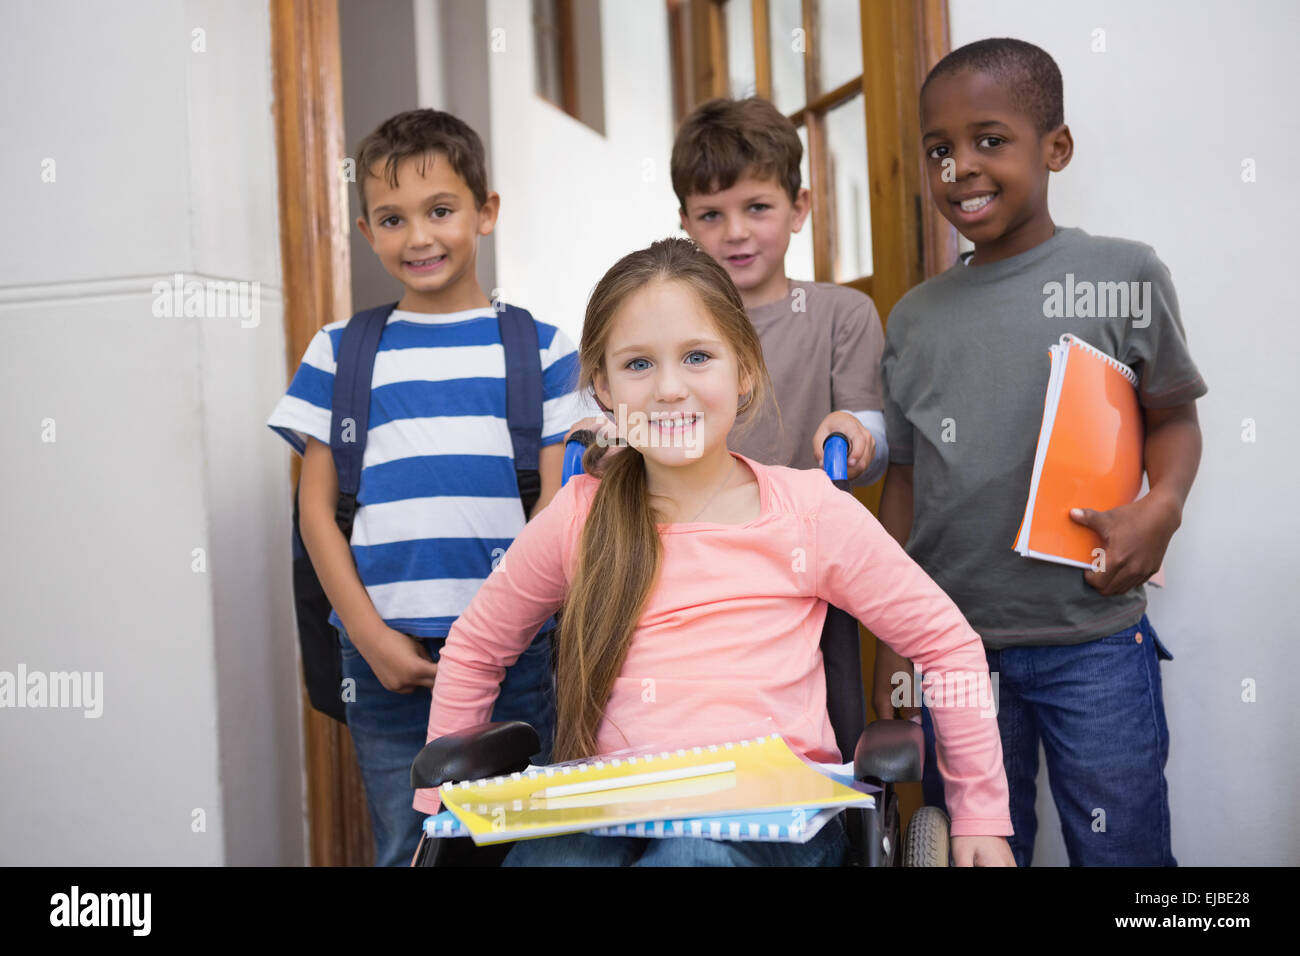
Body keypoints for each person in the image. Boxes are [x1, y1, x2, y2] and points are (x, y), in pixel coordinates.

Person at [413, 237, 1014, 867]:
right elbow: (476, 649)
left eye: (697, 356)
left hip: (782, 819)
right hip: (612, 807)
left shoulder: (808, 511)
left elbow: (946, 643)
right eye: (638, 365)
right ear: (603, 388)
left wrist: (979, 814)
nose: (670, 389)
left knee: (690, 857)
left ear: (745, 368)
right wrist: (436, 811)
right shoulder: (580, 517)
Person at [874, 38, 1205, 867]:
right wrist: (895, 650)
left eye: (990, 140)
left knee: (1124, 854)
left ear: (1055, 147)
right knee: (980, 852)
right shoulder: (914, 317)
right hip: (953, 653)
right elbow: (907, 479)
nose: (961, 168)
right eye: (939, 150)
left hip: (1093, 638)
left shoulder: (1123, 273)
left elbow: (1172, 416)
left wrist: (1160, 509)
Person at [268, 109, 585, 866]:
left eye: (440, 211)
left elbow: (560, 505)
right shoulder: (340, 350)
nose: (418, 237)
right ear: (365, 229)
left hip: (514, 655)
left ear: (485, 213)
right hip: (386, 666)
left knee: (519, 843)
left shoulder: (540, 348)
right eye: (391, 219)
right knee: (412, 846)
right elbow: (316, 513)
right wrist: (371, 639)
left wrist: (504, 633)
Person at [569, 97, 888, 484]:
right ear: (685, 222)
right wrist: (609, 444)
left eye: (757, 207)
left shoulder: (844, 314)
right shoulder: (655, 318)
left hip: (803, 533)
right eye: (711, 215)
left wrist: (854, 433)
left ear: (799, 207)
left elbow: (873, 445)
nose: (736, 232)